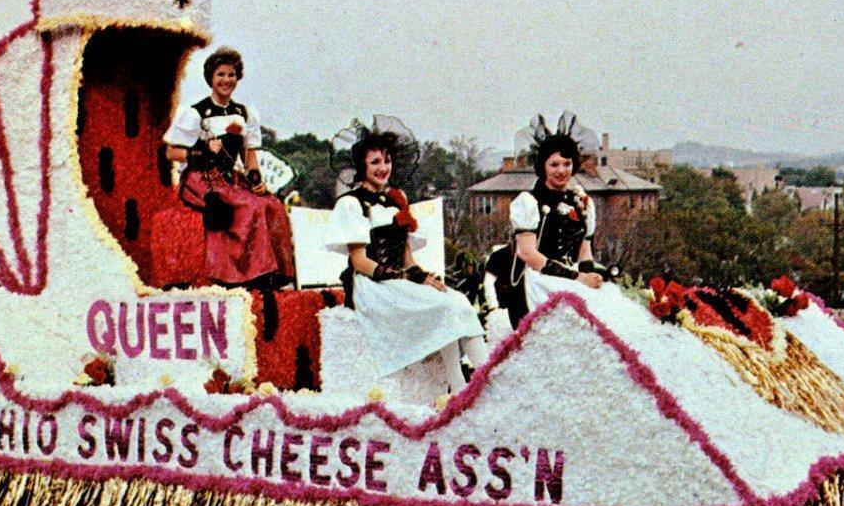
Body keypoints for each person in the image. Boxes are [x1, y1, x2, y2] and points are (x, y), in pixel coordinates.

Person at [326, 125, 487, 402]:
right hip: (372, 285)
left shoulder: (395, 200)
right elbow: (360, 262)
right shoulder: (352, 204)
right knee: (446, 306)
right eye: (375, 161)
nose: (382, 167)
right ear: (361, 166)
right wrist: (404, 279)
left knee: (456, 300)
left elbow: (407, 259)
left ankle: (477, 384)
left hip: (398, 279)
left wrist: (424, 278)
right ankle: (473, 387)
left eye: (386, 161)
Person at [162, 47, 294, 289]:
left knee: (271, 205)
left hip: (229, 178)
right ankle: (243, 275)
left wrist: (257, 182)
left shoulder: (244, 113)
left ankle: (276, 275)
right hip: (200, 179)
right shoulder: (196, 113)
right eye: (220, 74)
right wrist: (201, 150)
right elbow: (171, 152)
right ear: (210, 78)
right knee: (248, 207)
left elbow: (249, 155)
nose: (226, 80)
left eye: (231, 75)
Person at [508, 132, 602, 315]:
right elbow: (528, 253)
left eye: (567, 164)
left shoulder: (580, 201)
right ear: (543, 166)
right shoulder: (529, 202)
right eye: (554, 164)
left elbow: (585, 247)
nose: (561, 171)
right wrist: (577, 278)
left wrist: (588, 273)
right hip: (541, 279)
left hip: (574, 276)